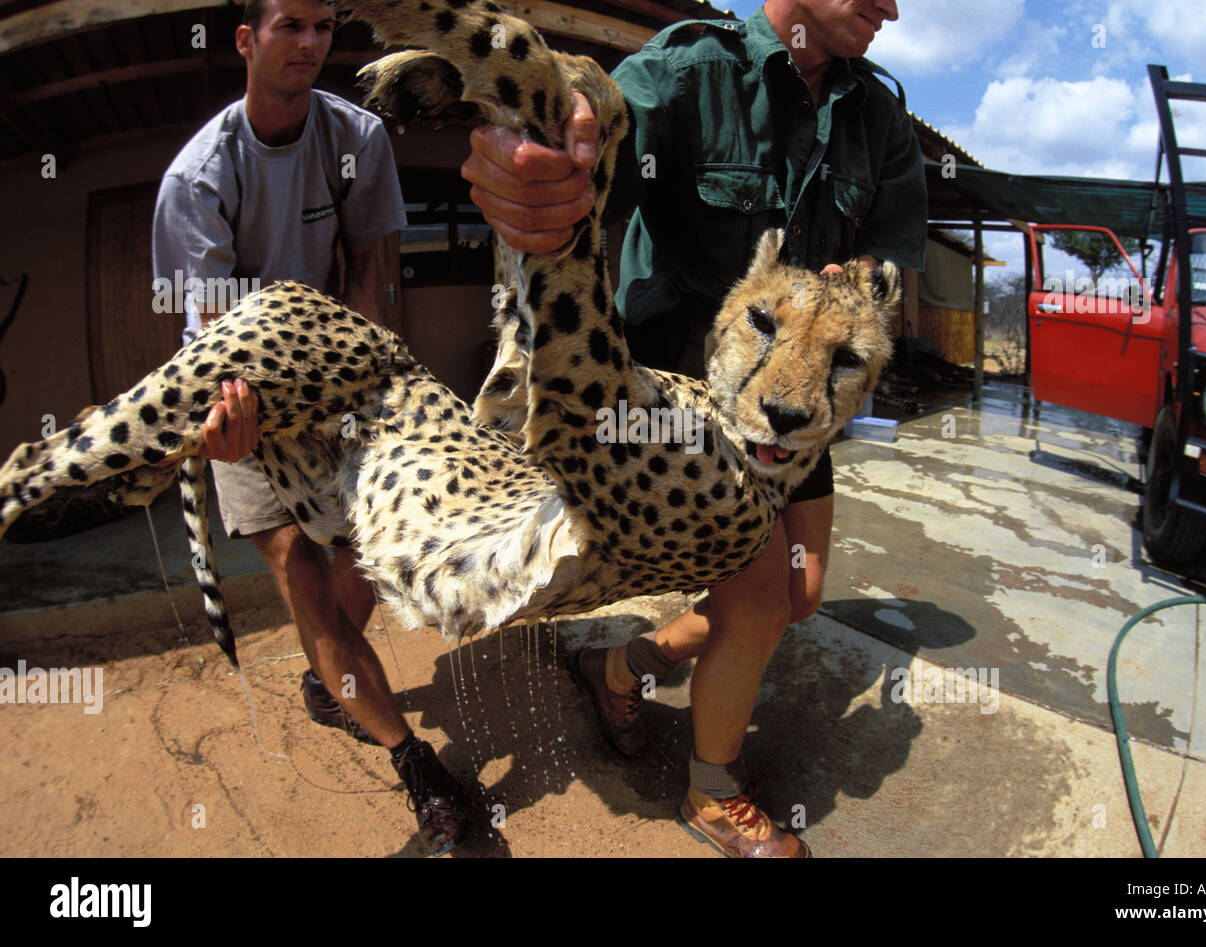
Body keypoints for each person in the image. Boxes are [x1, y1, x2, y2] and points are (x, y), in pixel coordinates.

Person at [462, 0, 926, 857]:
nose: (891, 7)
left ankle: (619, 667)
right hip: (681, 397)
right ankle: (713, 790)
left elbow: (900, 246)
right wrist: (555, 147)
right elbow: (597, 125)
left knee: (799, 595)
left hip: (797, 416)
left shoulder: (880, 117)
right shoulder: (690, 72)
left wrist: (857, 279)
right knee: (754, 598)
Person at [153, 0, 470, 855]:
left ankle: (330, 678)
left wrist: (376, 391)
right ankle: (418, 768)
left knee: (357, 559)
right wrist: (228, 422)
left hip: (339, 382)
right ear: (246, 40)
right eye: (289, 24)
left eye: (323, 26)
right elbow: (209, 333)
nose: (310, 43)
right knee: (300, 568)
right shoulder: (199, 177)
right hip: (243, 393)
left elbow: (373, 267)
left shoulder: (357, 137)